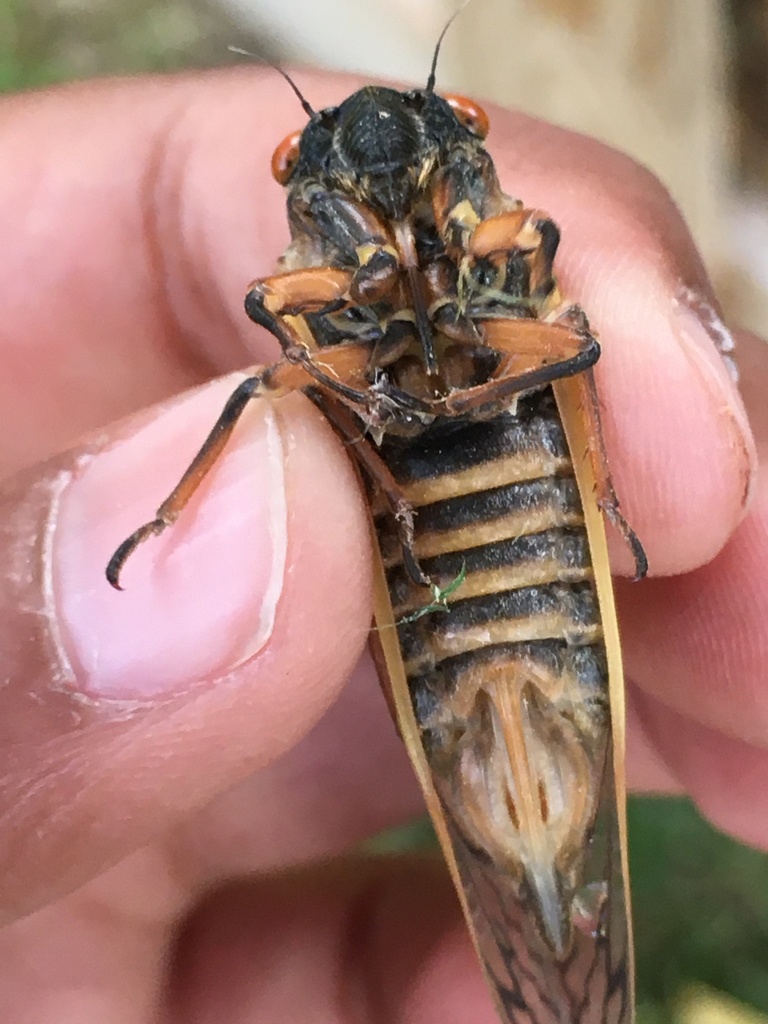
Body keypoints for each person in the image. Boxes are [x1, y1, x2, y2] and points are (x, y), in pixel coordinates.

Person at [0, 68, 765, 1021]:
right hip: (439, 523)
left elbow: (557, 309)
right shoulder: (314, 283)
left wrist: (602, 485)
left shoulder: (502, 237)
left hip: (498, 485)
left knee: (575, 337)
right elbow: (284, 320)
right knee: (261, 389)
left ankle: (562, 958)